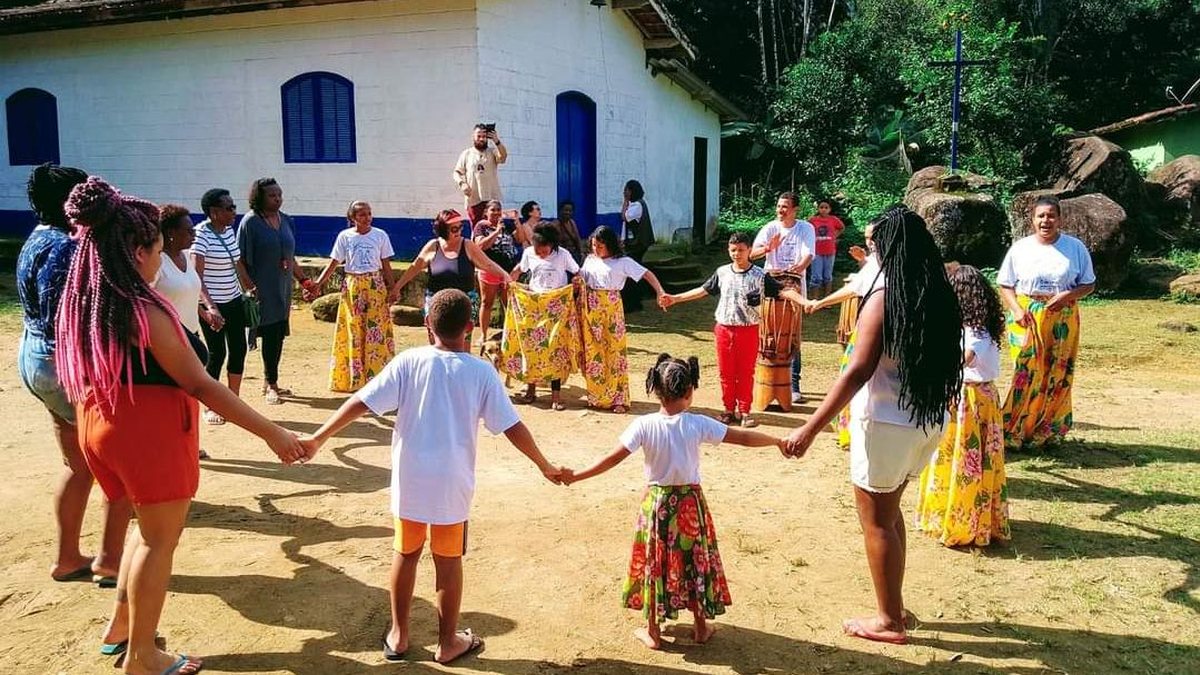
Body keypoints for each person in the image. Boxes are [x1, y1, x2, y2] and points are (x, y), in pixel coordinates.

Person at [54, 176, 307, 675]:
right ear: (139, 252)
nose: (160, 258)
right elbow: (201, 384)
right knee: (158, 542)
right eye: (155, 249)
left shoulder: (93, 301)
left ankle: (123, 627)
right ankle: (143, 657)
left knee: (142, 531)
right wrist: (274, 434)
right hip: (148, 434)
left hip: (103, 424)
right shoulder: (145, 310)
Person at [297, 288, 564, 665]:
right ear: (470, 327)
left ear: (427, 325)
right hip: (451, 485)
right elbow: (511, 426)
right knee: (448, 561)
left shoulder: (410, 361)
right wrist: (543, 464)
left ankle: (398, 635)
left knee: (405, 553)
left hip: (411, 479)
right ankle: (447, 642)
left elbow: (361, 402)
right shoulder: (481, 372)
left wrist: (318, 438)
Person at [782, 205, 962, 646]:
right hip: (923, 420)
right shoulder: (934, 289)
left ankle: (888, 621)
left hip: (886, 423)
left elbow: (858, 369)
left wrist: (809, 428)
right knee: (890, 513)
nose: (870, 251)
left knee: (877, 522)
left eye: (874, 244)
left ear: (889, 247)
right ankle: (893, 605)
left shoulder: (884, 295)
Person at [562, 354, 783, 650]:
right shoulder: (697, 424)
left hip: (657, 505)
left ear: (655, 389)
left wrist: (576, 476)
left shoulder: (643, 425)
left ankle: (653, 631)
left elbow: (612, 459)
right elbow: (742, 438)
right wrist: (777, 441)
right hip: (690, 504)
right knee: (695, 560)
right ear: (690, 390)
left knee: (656, 562)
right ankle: (701, 626)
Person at [16, 163, 130, 586]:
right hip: (64, 364)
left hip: (35, 357)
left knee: (78, 464)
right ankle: (110, 560)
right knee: (117, 465)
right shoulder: (67, 247)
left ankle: (67, 557)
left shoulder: (36, 239)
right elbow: (73, 319)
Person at [663, 231, 803, 428]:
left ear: (749, 251)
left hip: (748, 330)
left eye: (741, 250)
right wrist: (676, 298)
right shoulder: (722, 272)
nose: (737, 254)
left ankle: (745, 411)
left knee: (745, 373)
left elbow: (783, 291)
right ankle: (728, 409)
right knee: (726, 373)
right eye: (733, 250)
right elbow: (703, 290)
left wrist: (805, 302)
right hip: (724, 329)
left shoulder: (760, 275)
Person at [916, 265, 1011, 547]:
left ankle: (963, 521)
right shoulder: (978, 328)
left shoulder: (975, 333)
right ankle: (958, 515)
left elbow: (962, 360)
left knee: (964, 460)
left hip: (969, 399)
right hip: (975, 397)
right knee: (962, 458)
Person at [997, 195, 1096, 452]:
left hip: (1062, 315)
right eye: (1040, 216)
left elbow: (1089, 284)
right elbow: (1005, 284)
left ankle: (1046, 430)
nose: (1046, 221)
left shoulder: (1075, 248)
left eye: (1051, 215)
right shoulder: (1020, 248)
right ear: (1032, 220)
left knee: (1057, 371)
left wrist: (1067, 296)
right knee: (1026, 370)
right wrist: (1017, 309)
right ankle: (1014, 430)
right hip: (1026, 315)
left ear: (1060, 219)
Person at [238, 178, 317, 405]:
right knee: (269, 334)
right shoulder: (250, 222)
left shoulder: (286, 220)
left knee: (278, 335)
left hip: (282, 289)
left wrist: (303, 280)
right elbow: (239, 260)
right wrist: (249, 287)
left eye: (279, 194)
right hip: (261, 289)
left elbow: (290, 258)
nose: (278, 199)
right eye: (272, 195)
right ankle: (270, 384)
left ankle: (271, 381)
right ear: (259, 197)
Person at [577, 225, 668, 413]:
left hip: (611, 309)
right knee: (593, 353)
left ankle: (619, 398)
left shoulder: (623, 262)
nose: (596, 249)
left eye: (600, 246)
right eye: (593, 245)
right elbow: (582, 278)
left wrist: (660, 291)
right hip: (590, 309)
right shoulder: (590, 260)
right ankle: (597, 397)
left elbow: (647, 274)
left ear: (610, 244)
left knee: (615, 352)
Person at [310, 200, 398, 392]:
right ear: (352, 218)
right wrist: (318, 284)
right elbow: (333, 263)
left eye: (369, 213)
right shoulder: (345, 237)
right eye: (362, 214)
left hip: (375, 286)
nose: (367, 218)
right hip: (353, 287)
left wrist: (393, 288)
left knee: (376, 329)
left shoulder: (380, 235)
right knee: (354, 328)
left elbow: (386, 265)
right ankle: (354, 378)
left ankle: (377, 377)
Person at [393, 209, 509, 346]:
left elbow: (487, 264)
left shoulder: (468, 246)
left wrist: (505, 276)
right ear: (443, 229)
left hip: (464, 302)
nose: (458, 231)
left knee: (462, 344)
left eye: (460, 227)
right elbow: (414, 267)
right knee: (436, 343)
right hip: (436, 301)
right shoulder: (433, 246)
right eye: (454, 229)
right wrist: (397, 287)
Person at [192, 188, 255, 426]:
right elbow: (197, 278)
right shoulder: (200, 236)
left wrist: (250, 286)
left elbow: (237, 262)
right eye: (229, 208)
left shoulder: (228, 231)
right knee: (217, 353)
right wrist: (210, 309)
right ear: (214, 212)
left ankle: (233, 400)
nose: (234, 212)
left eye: (234, 206)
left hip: (234, 300)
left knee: (239, 348)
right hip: (212, 304)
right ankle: (211, 405)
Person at [751, 192, 816, 404]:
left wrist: (796, 270)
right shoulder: (770, 228)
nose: (780, 210)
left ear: (795, 209)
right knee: (768, 335)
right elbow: (751, 254)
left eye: (785, 206)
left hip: (794, 285)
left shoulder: (805, 228)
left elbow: (809, 255)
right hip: (770, 286)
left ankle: (793, 385)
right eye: (779, 206)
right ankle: (765, 381)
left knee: (792, 335)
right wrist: (768, 248)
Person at [509, 223, 581, 410]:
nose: (540, 253)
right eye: (537, 250)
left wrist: (576, 283)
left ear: (552, 245)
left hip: (557, 309)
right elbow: (520, 269)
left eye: (544, 250)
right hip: (533, 307)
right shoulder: (528, 253)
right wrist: (511, 280)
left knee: (554, 350)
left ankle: (556, 396)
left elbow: (577, 272)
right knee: (531, 347)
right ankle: (531, 390)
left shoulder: (563, 255)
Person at [472, 200, 525, 340]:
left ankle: (511, 333)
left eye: (498, 210)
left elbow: (521, 239)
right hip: (489, 270)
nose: (496, 213)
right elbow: (480, 246)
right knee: (487, 302)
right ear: (486, 212)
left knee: (509, 303)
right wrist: (496, 232)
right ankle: (483, 335)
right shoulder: (481, 226)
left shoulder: (506, 225)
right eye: (493, 210)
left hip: (508, 271)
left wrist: (517, 222)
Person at [453, 124, 507, 224]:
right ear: (473, 137)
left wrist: (497, 141)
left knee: (494, 228)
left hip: (491, 199)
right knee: (476, 229)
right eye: (478, 136)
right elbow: (457, 172)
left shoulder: (493, 152)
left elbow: (503, 158)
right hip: (474, 200)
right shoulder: (466, 154)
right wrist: (462, 184)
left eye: (484, 136)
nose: (481, 139)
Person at [620, 180, 655, 312]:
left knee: (632, 273)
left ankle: (633, 302)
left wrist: (625, 201)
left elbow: (624, 217)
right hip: (634, 243)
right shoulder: (637, 205)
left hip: (637, 244)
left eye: (626, 190)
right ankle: (634, 301)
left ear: (631, 191)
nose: (624, 192)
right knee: (633, 271)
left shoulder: (637, 205)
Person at [808, 199, 845, 299]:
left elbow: (841, 227)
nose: (823, 209)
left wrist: (835, 236)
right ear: (818, 209)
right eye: (821, 207)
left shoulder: (833, 219)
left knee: (827, 276)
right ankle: (814, 299)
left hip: (830, 251)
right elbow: (806, 230)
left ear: (829, 209)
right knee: (816, 277)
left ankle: (827, 299)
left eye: (826, 207)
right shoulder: (812, 220)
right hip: (817, 252)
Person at [553, 200, 586, 265]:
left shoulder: (572, 222)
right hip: (562, 255)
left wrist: (581, 252)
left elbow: (577, 238)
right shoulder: (555, 224)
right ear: (560, 211)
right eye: (565, 210)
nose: (568, 212)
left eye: (570, 211)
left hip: (574, 254)